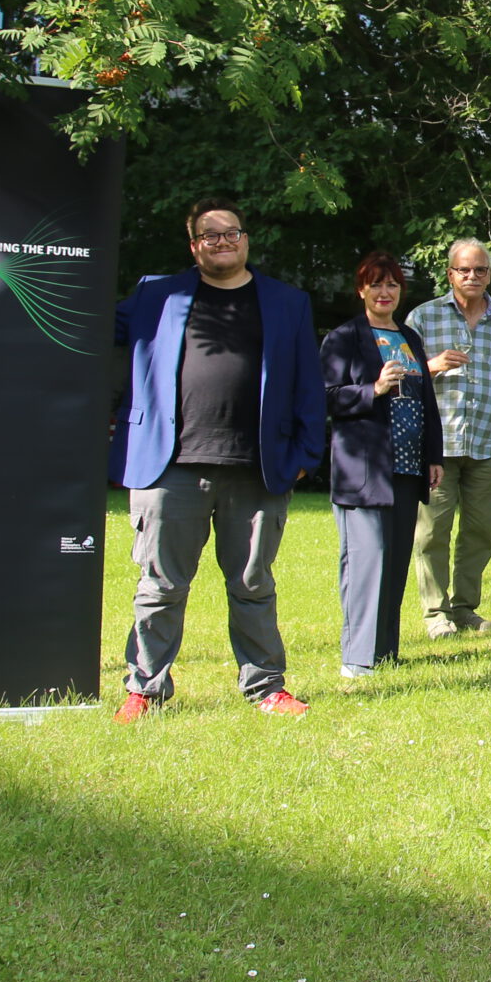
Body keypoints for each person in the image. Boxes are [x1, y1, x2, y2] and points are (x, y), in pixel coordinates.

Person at [108, 197, 326, 720]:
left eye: (231, 233)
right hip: (169, 466)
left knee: (253, 584)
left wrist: (304, 455)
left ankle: (266, 687)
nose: (222, 241)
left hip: (258, 468)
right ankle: (145, 688)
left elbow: (307, 385)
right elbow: (88, 327)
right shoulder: (154, 295)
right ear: (194, 246)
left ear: (246, 240)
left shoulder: (286, 302)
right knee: (160, 585)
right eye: (210, 235)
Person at [321, 253, 446, 678]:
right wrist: (372, 389)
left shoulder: (409, 336)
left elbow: (427, 403)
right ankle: (357, 658)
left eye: (392, 285)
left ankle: (385, 654)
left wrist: (433, 456)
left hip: (410, 468)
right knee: (367, 558)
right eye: (375, 284)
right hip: (365, 468)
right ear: (361, 290)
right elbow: (326, 396)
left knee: (394, 561)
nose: (384, 292)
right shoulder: (343, 338)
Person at [406, 239, 491, 638]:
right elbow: (400, 376)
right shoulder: (423, 318)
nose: (472, 276)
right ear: (450, 274)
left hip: (489, 442)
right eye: (464, 270)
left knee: (481, 531)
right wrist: (432, 366)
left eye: (480, 270)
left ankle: (464, 608)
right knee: (431, 532)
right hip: (437, 446)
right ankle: (435, 612)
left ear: (489, 275)